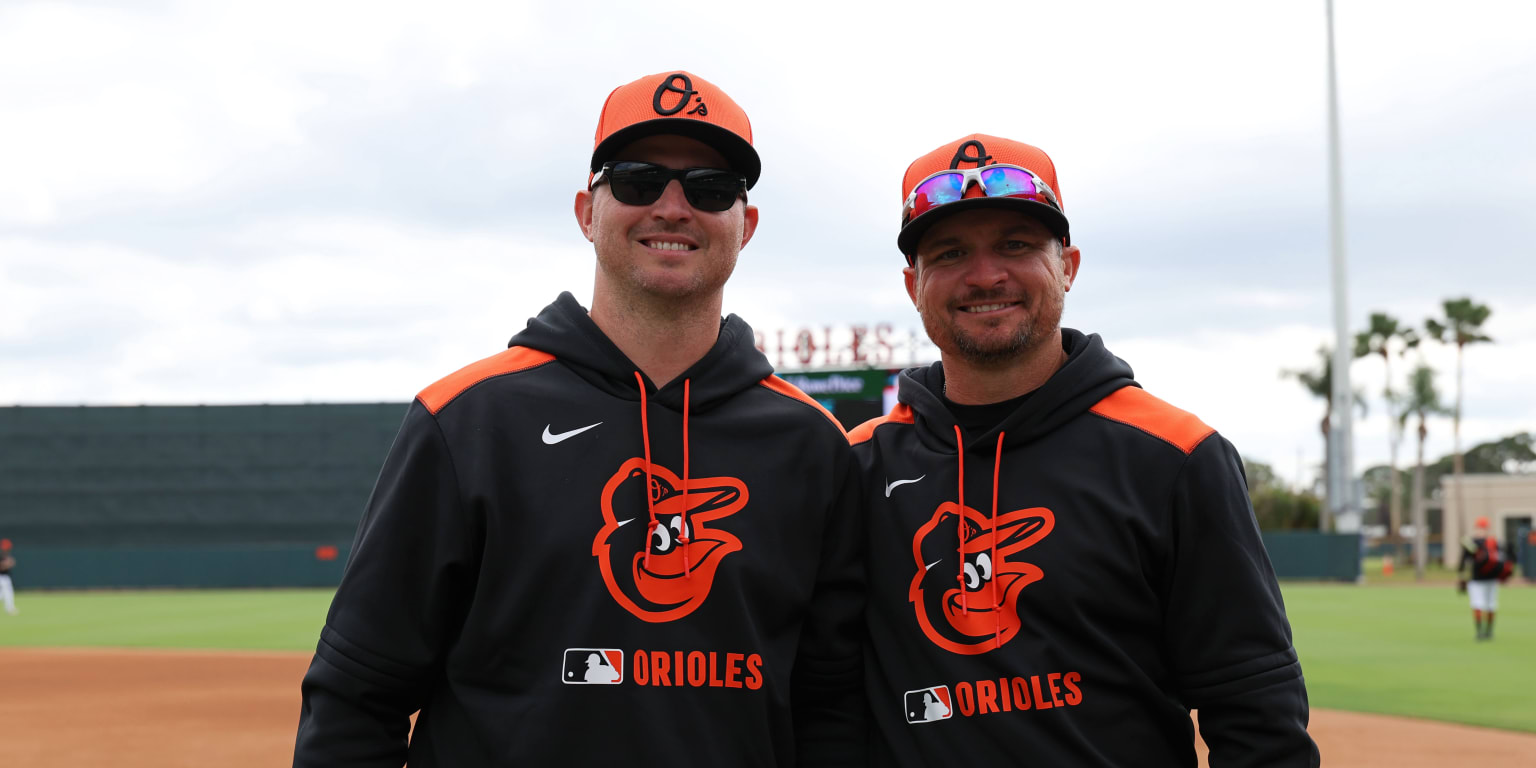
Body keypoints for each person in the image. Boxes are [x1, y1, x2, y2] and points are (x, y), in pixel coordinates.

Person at [293, 71, 864, 767]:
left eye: (710, 188)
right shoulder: (468, 418)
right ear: (586, 213)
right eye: (637, 180)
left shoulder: (812, 444)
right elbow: (357, 699)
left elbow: (831, 711)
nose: (673, 207)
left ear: (744, 225)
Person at [849, 134, 1318, 766]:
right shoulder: (855, 466)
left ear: (1067, 265)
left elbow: (1258, 716)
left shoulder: (1176, 455)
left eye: (1016, 244)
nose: (986, 275)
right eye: (951, 252)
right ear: (914, 284)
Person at [1458, 516, 1512, 640]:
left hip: (1477, 579)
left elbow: (1464, 561)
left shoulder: (1471, 542)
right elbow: (1504, 559)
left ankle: (1480, 632)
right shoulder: (1493, 542)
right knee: (1490, 604)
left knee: (1478, 604)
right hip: (1492, 578)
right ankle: (1489, 632)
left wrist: (1461, 576)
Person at [0, 538, 16, 615]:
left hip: (5, 576)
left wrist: (10, 563)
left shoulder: (6, 555)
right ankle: (9, 608)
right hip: (2, 577)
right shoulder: (1, 555)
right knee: (7, 592)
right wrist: (7, 564)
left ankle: (9, 607)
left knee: (6, 593)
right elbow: (2, 566)